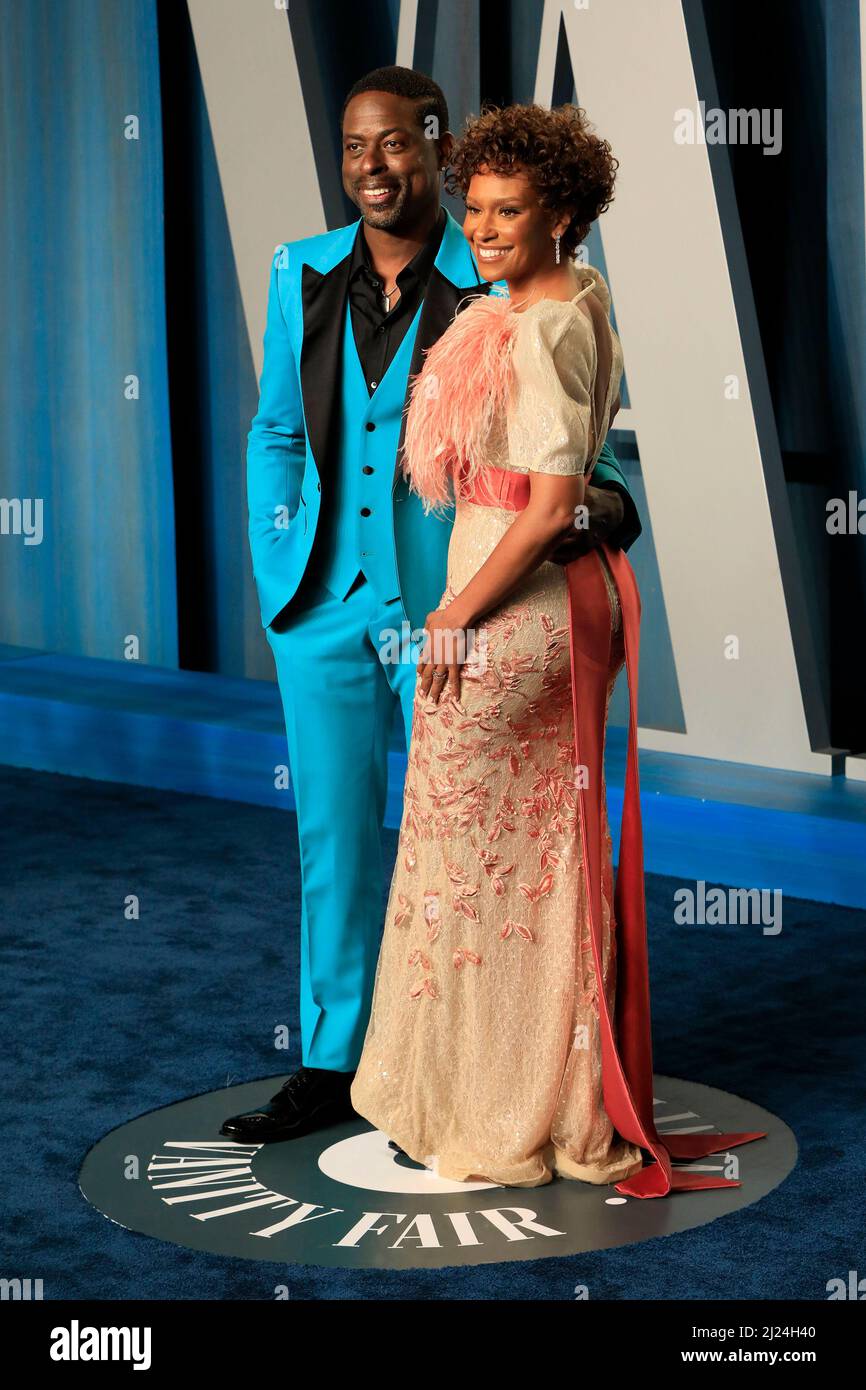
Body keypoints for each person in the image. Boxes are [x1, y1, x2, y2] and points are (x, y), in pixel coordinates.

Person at [349, 102, 766, 1197]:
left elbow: (539, 509)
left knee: (463, 858)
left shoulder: (536, 326)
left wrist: (451, 616)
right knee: (528, 861)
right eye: (475, 208)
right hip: (545, 605)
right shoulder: (567, 295)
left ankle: (489, 1110)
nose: (482, 229)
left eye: (509, 211)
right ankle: (529, 1097)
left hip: (511, 609)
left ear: (561, 215)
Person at [222, 70, 641, 1146]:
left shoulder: (501, 275)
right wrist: (281, 565)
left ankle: (449, 1074)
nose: (372, 167)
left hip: (455, 604)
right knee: (335, 836)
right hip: (320, 599)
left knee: (452, 851)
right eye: (354, 148)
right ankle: (331, 1057)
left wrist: (591, 509)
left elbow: (575, 464)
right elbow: (275, 429)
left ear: (435, 147)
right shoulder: (299, 271)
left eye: (395, 146)